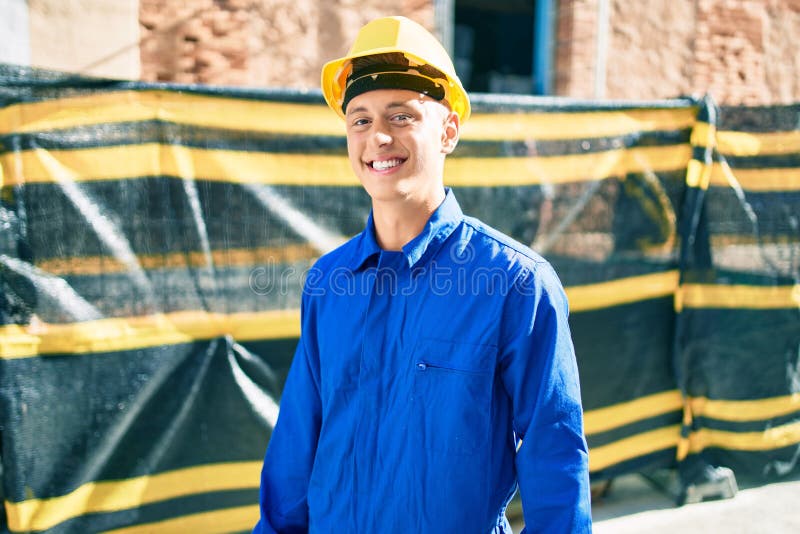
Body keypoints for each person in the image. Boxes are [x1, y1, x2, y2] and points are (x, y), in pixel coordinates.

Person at [254, 16, 591, 533]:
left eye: (401, 116)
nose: (378, 138)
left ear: (448, 131)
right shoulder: (330, 283)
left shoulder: (513, 283)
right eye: (360, 120)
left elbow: (555, 455)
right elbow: (297, 447)